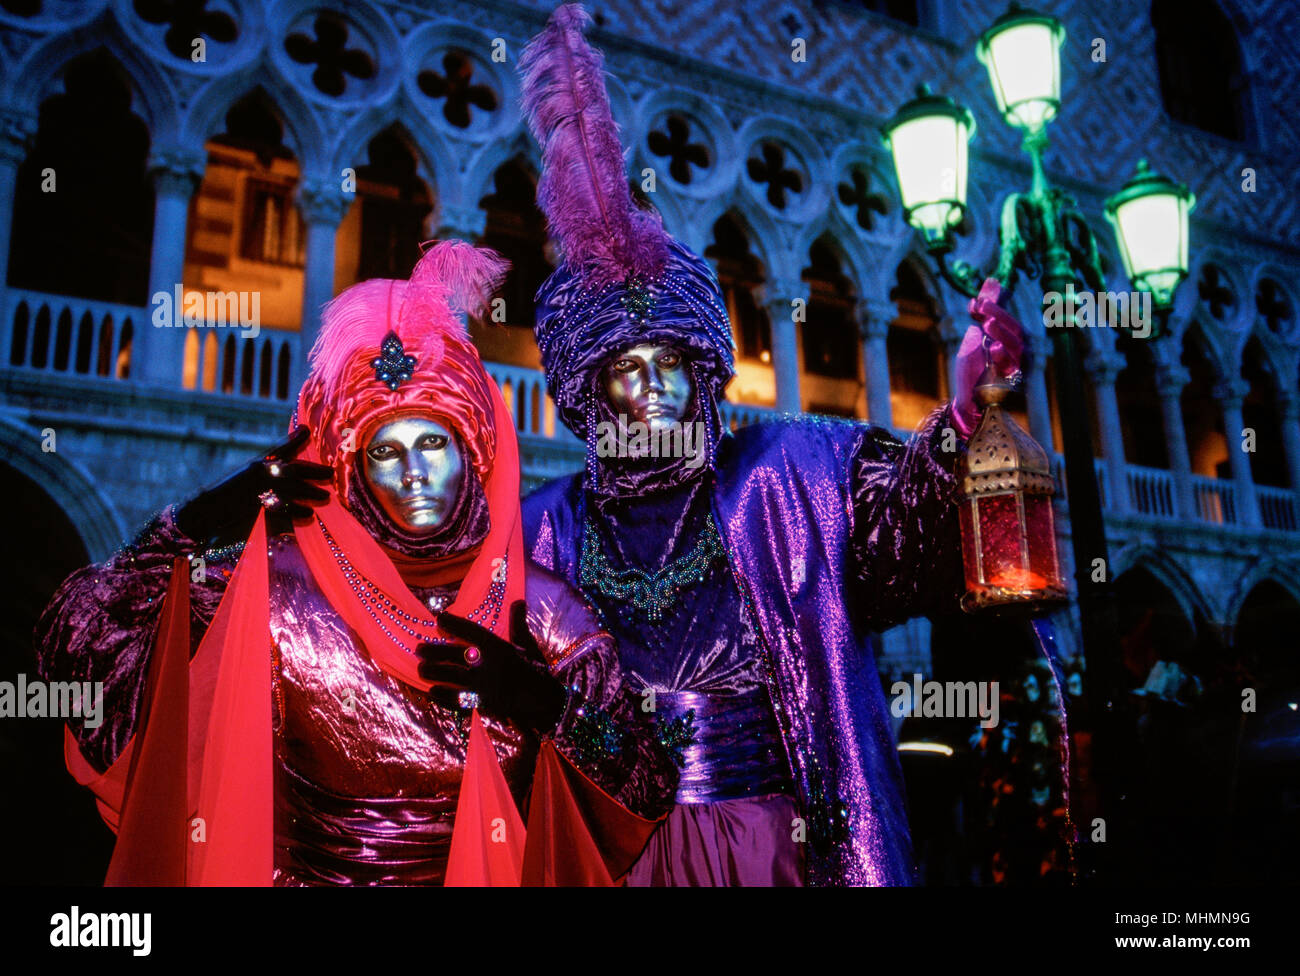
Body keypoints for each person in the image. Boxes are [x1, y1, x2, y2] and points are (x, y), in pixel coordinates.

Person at [516, 4, 1025, 885]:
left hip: (777, 852)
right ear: (587, 395)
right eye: (622, 370)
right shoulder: (544, 528)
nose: (650, 387)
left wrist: (963, 423)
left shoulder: (791, 474)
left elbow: (911, 543)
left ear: (705, 369)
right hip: (614, 857)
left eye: (668, 361)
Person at [35, 239, 676, 886]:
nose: (416, 473)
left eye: (432, 441)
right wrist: (195, 526)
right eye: (385, 452)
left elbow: (647, 788)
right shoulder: (280, 590)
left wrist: (545, 706)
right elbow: (76, 641)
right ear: (355, 469)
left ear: (473, 453)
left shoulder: (539, 610)